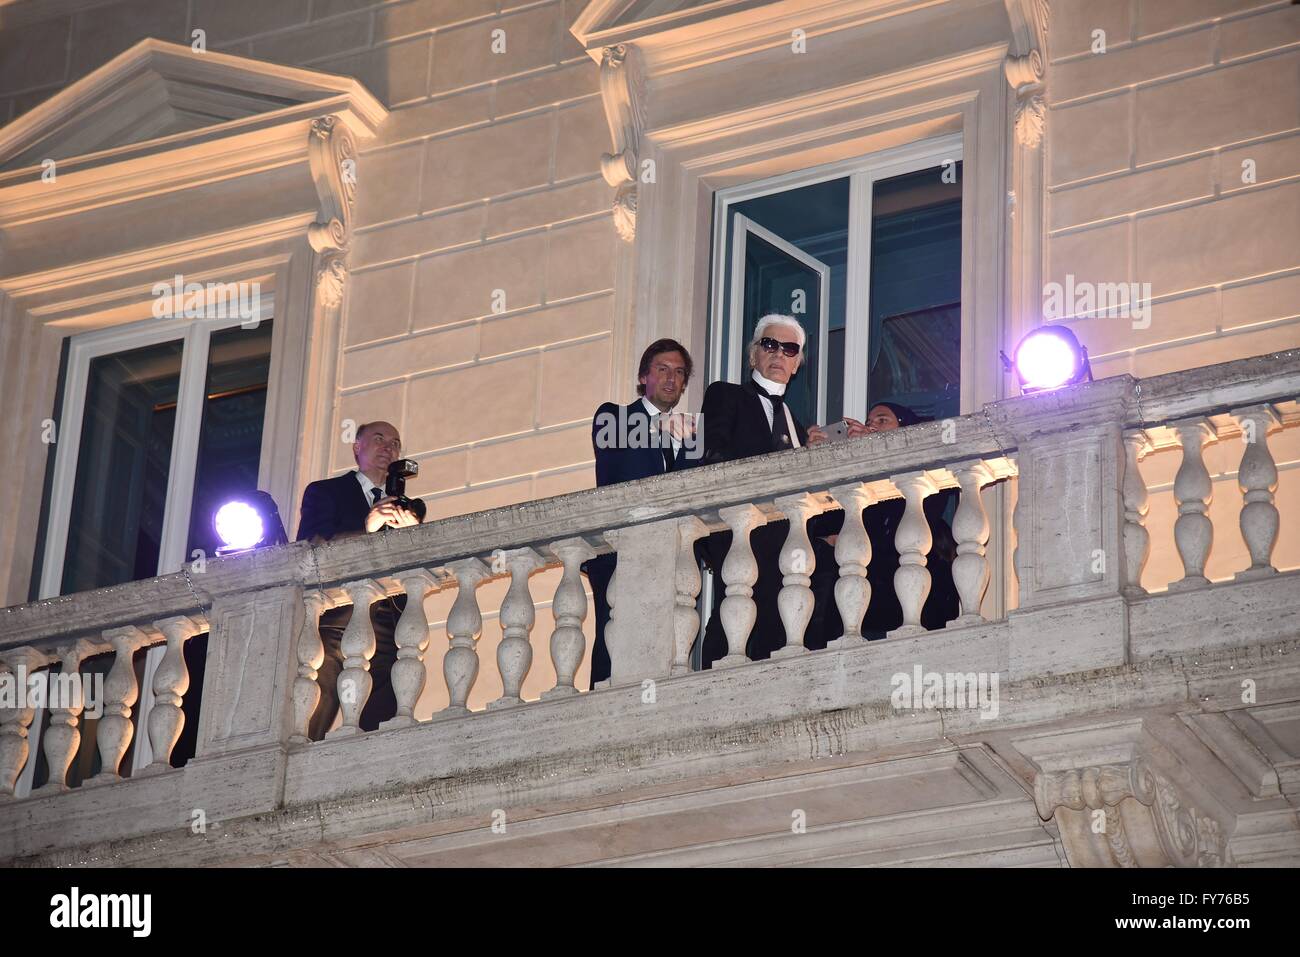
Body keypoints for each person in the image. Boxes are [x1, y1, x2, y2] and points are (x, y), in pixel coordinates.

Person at [697, 314, 829, 665]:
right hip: (741, 535)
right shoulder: (726, 394)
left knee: (777, 633)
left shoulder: (796, 426)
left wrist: (814, 457)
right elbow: (712, 456)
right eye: (769, 345)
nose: (778, 354)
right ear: (753, 355)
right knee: (731, 626)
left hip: (788, 550)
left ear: (797, 363)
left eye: (789, 349)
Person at [297, 421, 425, 738]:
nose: (388, 447)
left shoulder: (406, 506)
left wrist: (412, 536)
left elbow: (417, 565)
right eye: (378, 439)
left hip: (391, 622)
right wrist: (366, 526)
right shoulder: (325, 492)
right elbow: (311, 548)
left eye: (395, 443)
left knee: (380, 718)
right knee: (317, 706)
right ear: (357, 447)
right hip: (337, 619)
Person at [586, 339, 698, 686]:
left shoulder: (690, 432)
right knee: (613, 644)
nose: (670, 378)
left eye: (678, 373)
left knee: (665, 644)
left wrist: (683, 441)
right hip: (621, 552)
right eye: (662, 369)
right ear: (642, 377)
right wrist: (656, 428)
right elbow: (610, 449)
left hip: (669, 555)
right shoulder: (614, 416)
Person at [821, 402, 960, 638]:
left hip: (918, 604)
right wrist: (825, 457)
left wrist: (881, 452)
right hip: (865, 608)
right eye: (868, 424)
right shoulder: (862, 479)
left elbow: (914, 511)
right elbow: (828, 529)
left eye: (882, 421)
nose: (872, 427)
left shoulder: (925, 465)